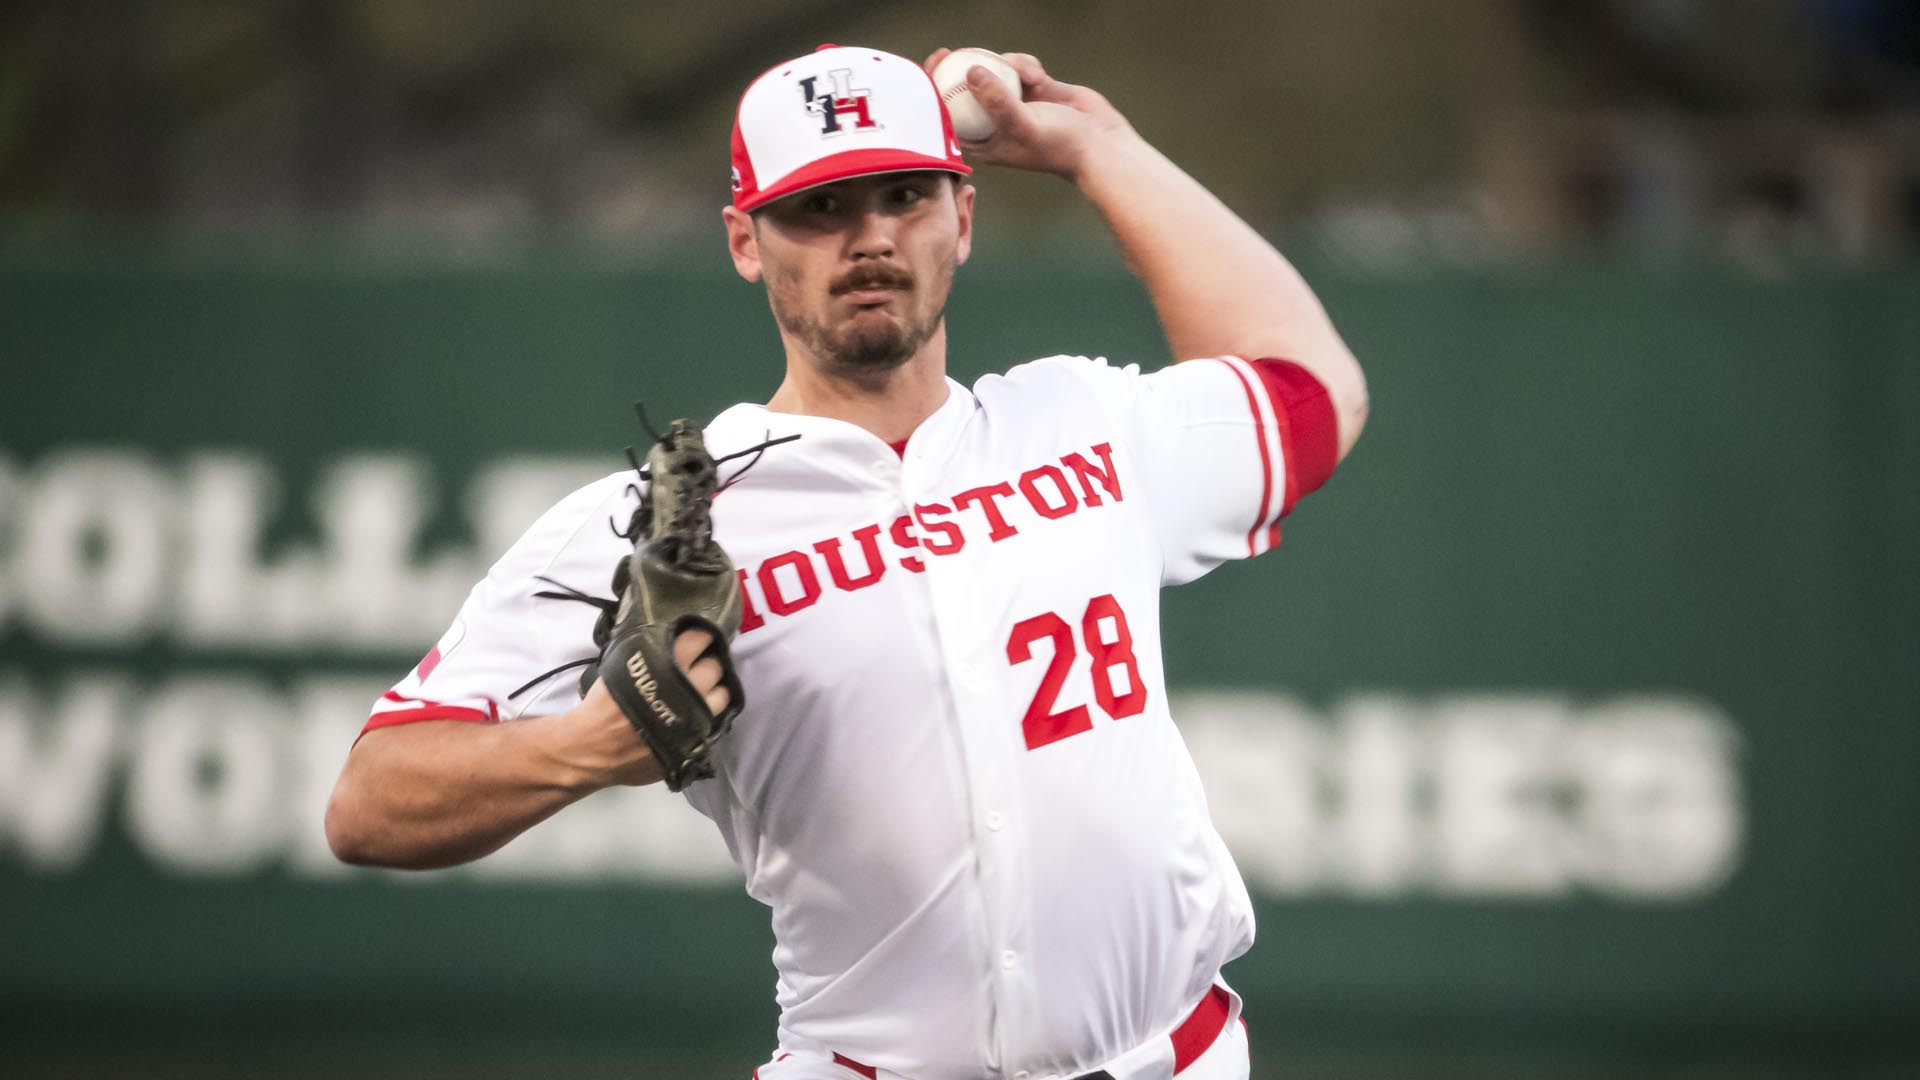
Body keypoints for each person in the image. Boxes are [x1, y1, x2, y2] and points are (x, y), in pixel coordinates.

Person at [325, 42, 1367, 1080]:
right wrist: (586, 747)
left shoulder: (1082, 424)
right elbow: (369, 803)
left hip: (1170, 1060)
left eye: (904, 195)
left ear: (962, 216)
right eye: (820, 208)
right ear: (745, 240)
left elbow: (1313, 392)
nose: (869, 237)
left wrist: (1102, 149)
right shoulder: (671, 518)